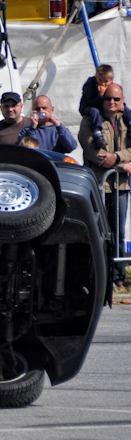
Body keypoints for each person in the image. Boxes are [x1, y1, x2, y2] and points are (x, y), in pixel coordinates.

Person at [78, 84, 131, 290]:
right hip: (98, 184)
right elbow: (93, 151)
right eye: (108, 98)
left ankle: (118, 278)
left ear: (122, 100)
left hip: (121, 185)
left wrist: (117, 157)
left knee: (118, 232)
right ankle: (98, 277)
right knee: (98, 231)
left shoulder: (128, 120)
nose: (112, 102)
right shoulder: (89, 120)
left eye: (116, 99)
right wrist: (122, 164)